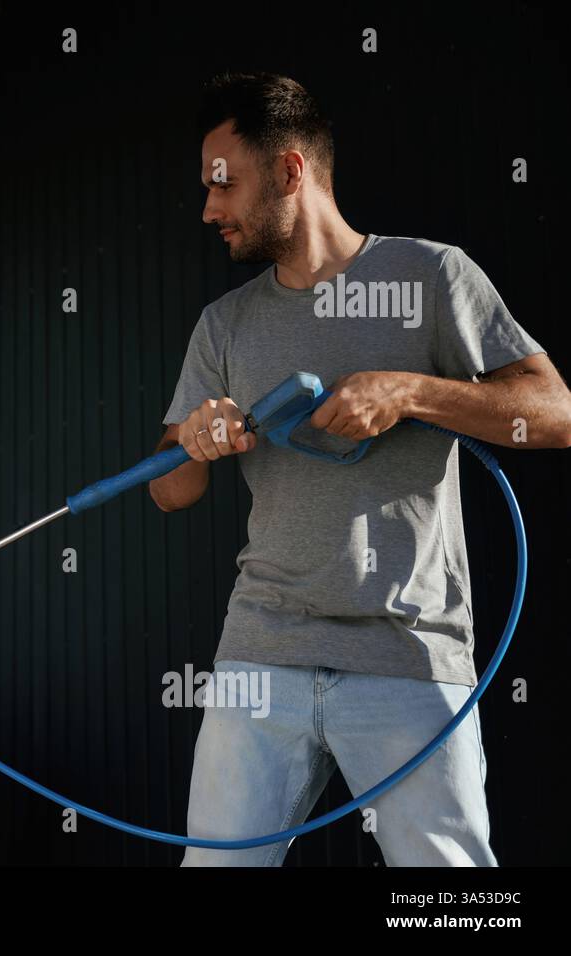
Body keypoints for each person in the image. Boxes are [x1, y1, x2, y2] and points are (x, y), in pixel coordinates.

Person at [151, 71, 571, 866]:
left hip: (407, 654)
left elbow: (556, 413)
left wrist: (408, 390)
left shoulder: (432, 276)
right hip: (260, 656)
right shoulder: (224, 325)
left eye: (222, 183)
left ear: (291, 171)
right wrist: (192, 442)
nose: (208, 208)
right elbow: (171, 490)